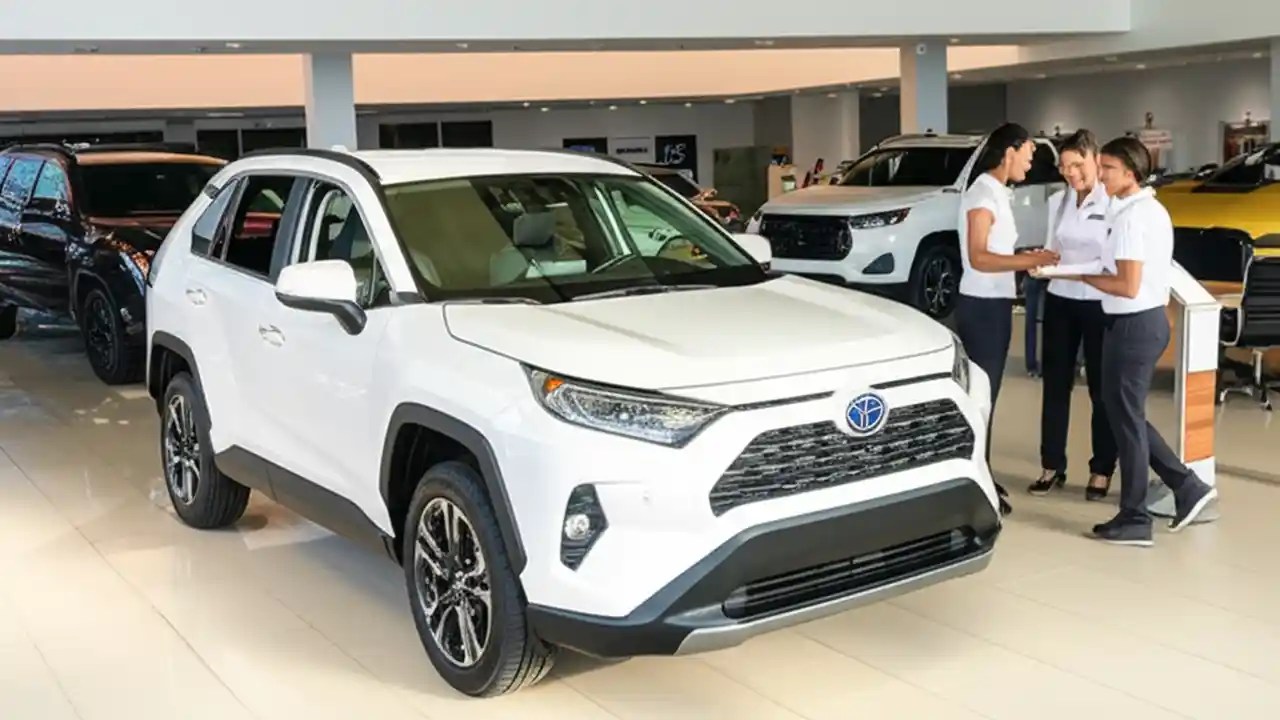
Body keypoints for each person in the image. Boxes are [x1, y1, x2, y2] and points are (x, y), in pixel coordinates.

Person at [1074, 137, 1217, 546]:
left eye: (1109, 169)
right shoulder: (1141, 209)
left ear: (1132, 173)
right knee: (1126, 415)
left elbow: (1126, 283)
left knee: (1126, 420)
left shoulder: (1134, 217)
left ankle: (1138, 516)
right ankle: (1184, 488)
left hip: (1135, 325)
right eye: (1100, 167)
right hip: (1139, 323)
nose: (1100, 176)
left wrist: (1080, 275)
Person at [956, 123, 1060, 516]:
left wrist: (1025, 257)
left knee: (989, 397)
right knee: (981, 398)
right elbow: (980, 256)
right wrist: (1030, 260)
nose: (1031, 164)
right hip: (981, 307)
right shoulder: (983, 191)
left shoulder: (998, 191)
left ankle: (982, 470)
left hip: (995, 304)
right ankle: (977, 479)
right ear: (1010, 151)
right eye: (1029, 155)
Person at [1027, 129, 1118, 501]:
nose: (1070, 173)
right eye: (1064, 167)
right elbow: (1054, 250)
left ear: (1094, 160)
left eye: (1077, 165)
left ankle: (1101, 470)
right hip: (1062, 298)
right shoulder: (1057, 202)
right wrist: (1039, 261)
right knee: (1055, 385)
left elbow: (1110, 260)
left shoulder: (1113, 203)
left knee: (1101, 389)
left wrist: (1072, 269)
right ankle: (1051, 465)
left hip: (1099, 301)